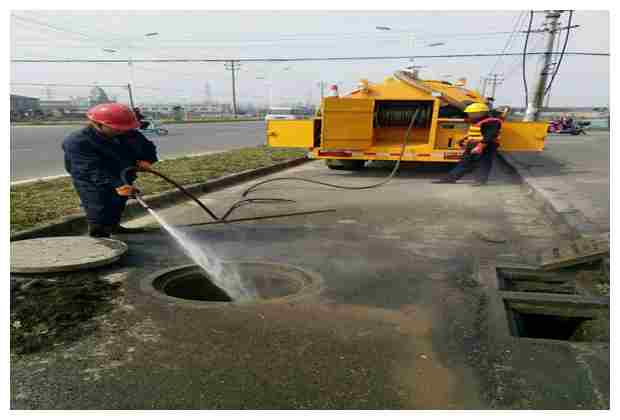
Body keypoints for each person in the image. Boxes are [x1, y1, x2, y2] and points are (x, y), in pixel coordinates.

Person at [62, 103, 158, 238]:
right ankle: (100, 237)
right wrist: (118, 185)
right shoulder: (77, 141)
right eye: (117, 128)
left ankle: (114, 227)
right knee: (98, 206)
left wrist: (147, 160)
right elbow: (90, 169)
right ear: (97, 124)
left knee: (118, 203)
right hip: (91, 179)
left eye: (125, 128)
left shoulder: (128, 132)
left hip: (122, 172)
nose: (123, 131)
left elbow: (147, 147)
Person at [433, 102, 502, 186]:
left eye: (471, 113)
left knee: (483, 163)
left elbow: (489, 136)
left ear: (480, 113)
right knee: (464, 162)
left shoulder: (492, 122)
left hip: (486, 146)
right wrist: (464, 139)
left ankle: (480, 181)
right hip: (473, 145)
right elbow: (475, 132)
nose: (469, 115)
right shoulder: (478, 121)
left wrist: (480, 147)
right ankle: (450, 178)